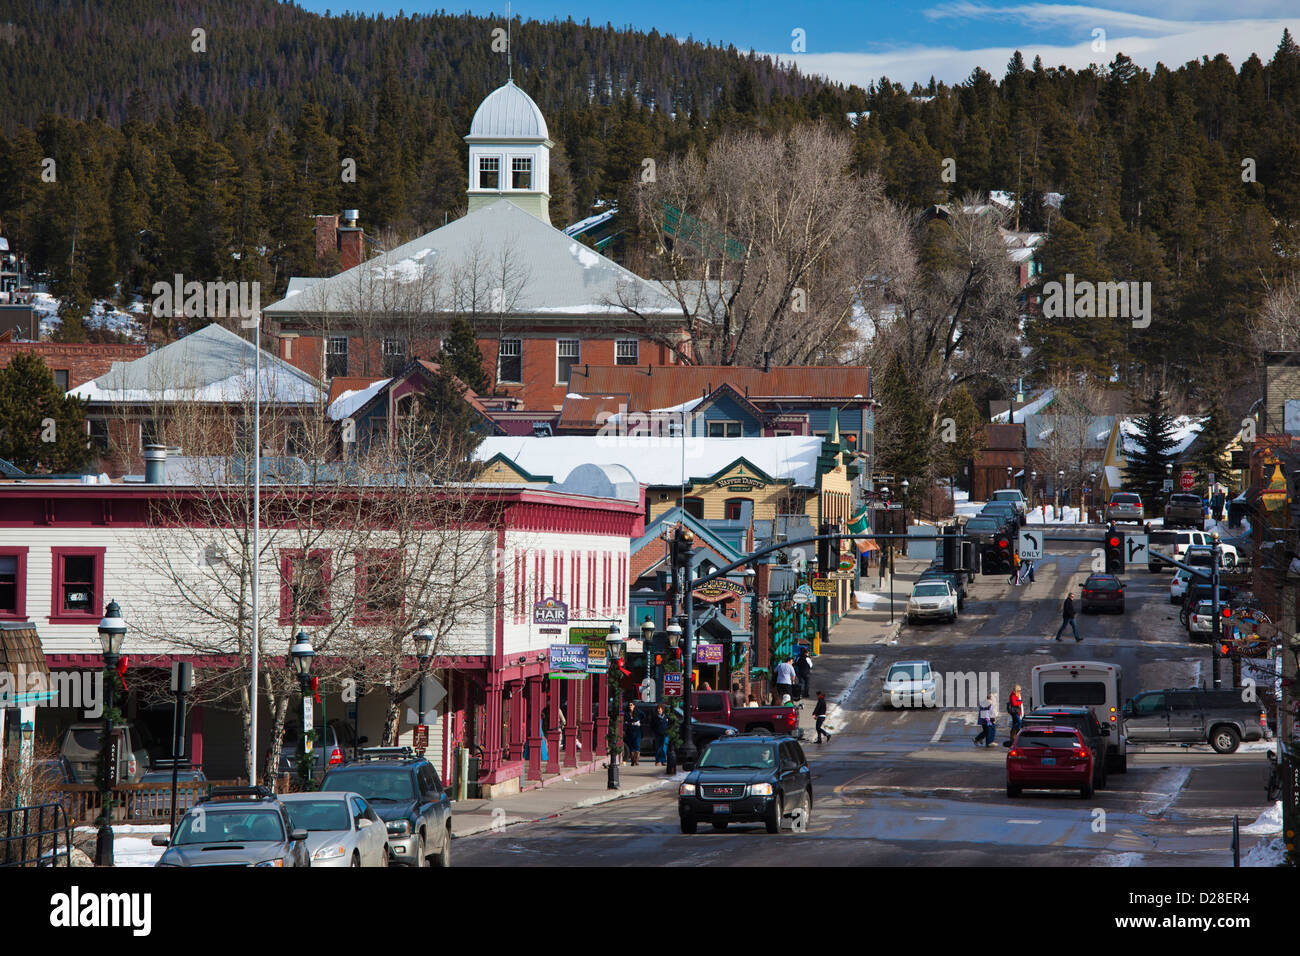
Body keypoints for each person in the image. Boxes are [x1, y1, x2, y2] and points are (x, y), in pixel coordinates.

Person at [622, 701, 642, 766]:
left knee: (637, 745)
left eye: (631, 705)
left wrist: (639, 722)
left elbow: (643, 716)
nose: (630, 706)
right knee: (631, 747)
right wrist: (631, 723)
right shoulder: (626, 713)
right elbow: (625, 722)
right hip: (629, 732)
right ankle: (632, 761)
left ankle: (636, 761)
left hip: (637, 732)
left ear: (634, 706)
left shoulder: (637, 712)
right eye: (629, 705)